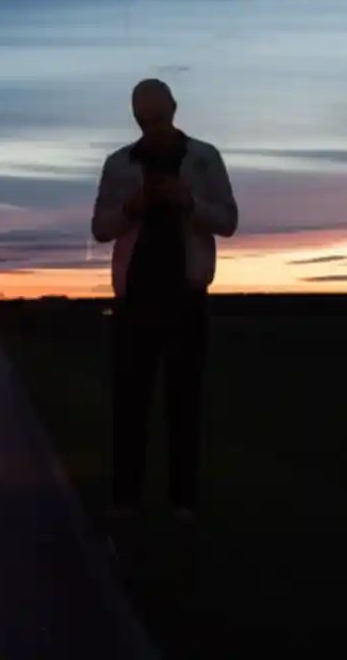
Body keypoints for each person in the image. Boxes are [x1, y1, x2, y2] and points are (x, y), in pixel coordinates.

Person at [90, 78, 238, 523]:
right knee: (130, 404)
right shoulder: (119, 164)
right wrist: (132, 207)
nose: (152, 126)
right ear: (135, 118)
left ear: (174, 108)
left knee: (184, 403)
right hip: (135, 299)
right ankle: (125, 501)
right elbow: (99, 228)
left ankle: (183, 503)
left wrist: (188, 201)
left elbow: (229, 220)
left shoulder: (204, 158)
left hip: (188, 296)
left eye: (158, 117)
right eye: (143, 119)